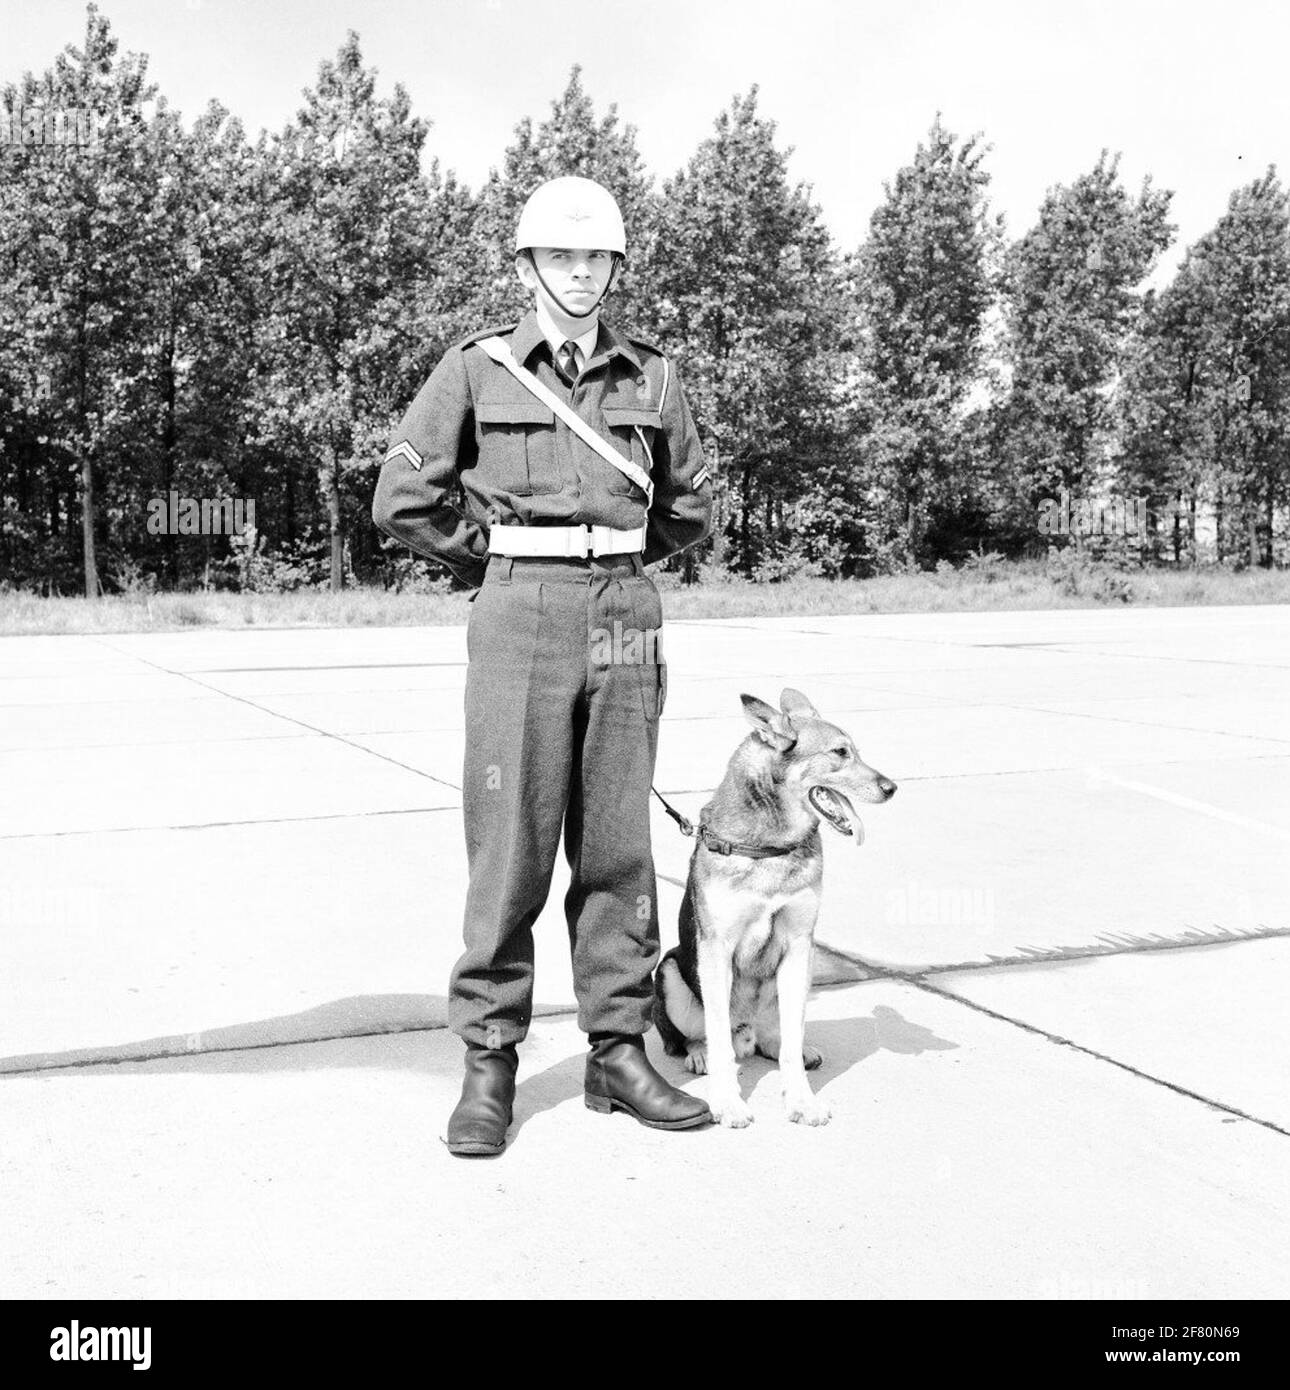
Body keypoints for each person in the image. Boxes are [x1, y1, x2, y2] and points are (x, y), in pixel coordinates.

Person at [372, 175, 715, 1155]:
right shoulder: (476, 370)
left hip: (624, 617)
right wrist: (487, 560)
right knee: (511, 842)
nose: (578, 273)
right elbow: (402, 495)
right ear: (525, 266)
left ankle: (619, 1051)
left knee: (616, 845)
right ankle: (489, 1064)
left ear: (615, 268)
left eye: (595, 258)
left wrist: (617, 568)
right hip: (517, 612)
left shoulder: (653, 375)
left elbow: (690, 505)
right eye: (558, 257)